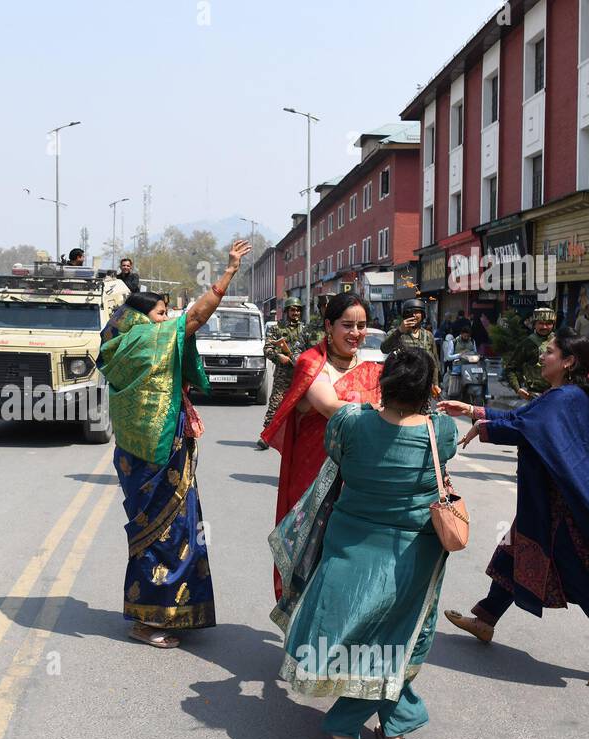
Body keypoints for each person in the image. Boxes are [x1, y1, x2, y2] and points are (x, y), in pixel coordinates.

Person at [269, 349, 458, 739]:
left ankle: (396, 720)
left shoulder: (350, 422)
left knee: (372, 631)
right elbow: (445, 459)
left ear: (383, 382)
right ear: (429, 389)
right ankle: (343, 726)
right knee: (400, 633)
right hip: (415, 551)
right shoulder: (440, 429)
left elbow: (336, 455)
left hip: (351, 540)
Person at [440, 328, 589, 690]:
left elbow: (526, 427)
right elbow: (525, 416)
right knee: (514, 553)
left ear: (568, 361)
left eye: (550, 352)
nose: (542, 356)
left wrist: (482, 425)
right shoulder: (560, 395)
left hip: (569, 511)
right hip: (548, 504)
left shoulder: (565, 398)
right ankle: (486, 619)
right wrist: (474, 410)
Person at [98, 240, 254, 650]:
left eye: (167, 313)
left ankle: (175, 611)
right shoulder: (141, 342)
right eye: (161, 313)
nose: (168, 320)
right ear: (139, 319)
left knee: (179, 529)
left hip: (159, 453)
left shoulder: (125, 344)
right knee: (160, 534)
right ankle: (146, 622)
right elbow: (196, 318)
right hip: (155, 457)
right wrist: (228, 272)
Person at [261, 292, 384, 561]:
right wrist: (381, 411)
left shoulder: (373, 371)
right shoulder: (312, 363)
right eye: (347, 325)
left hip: (358, 484)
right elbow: (330, 406)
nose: (356, 333)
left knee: (350, 561)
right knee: (311, 562)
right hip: (313, 483)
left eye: (361, 326)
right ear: (329, 326)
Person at [257, 299, 304, 449]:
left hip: (301, 374)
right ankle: (267, 436)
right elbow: (268, 349)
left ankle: (297, 438)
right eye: (292, 310)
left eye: (297, 310)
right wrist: (279, 357)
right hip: (283, 375)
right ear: (286, 311)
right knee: (275, 406)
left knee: (301, 407)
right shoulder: (277, 328)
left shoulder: (305, 329)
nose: (295, 313)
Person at [505, 307, 556, 399]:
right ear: (534, 324)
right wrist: (518, 389)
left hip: (557, 393)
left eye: (548, 324)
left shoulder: (561, 342)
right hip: (535, 395)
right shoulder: (527, 344)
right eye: (541, 323)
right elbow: (510, 369)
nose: (544, 327)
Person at [381, 298, 441, 373]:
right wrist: (399, 331)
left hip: (423, 379)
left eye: (417, 312)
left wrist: (435, 383)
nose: (414, 315)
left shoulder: (428, 335)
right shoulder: (396, 334)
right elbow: (384, 349)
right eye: (411, 312)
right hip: (403, 379)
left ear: (422, 315)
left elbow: (434, 361)